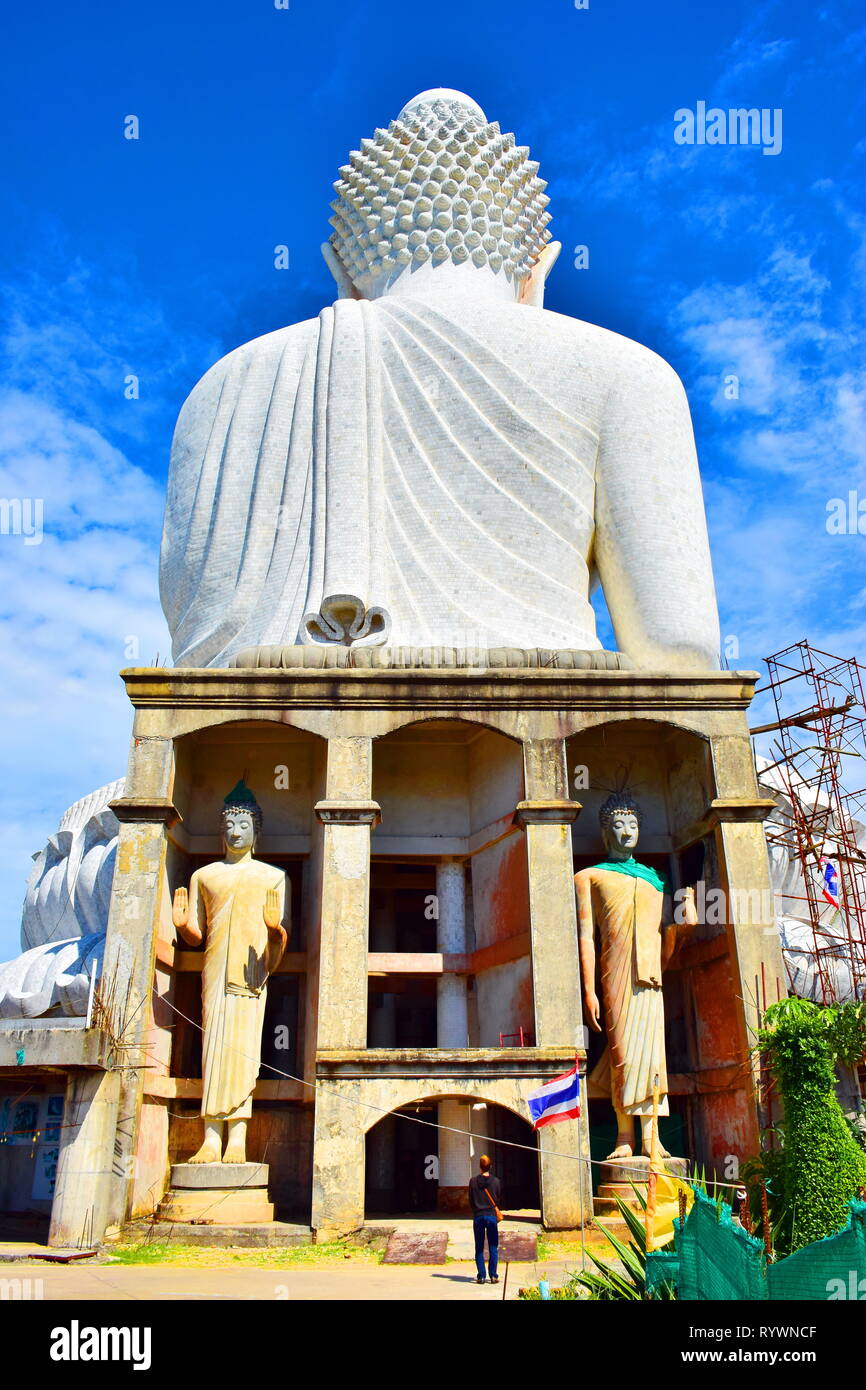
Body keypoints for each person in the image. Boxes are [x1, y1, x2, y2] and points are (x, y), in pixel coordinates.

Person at [468, 1155, 501, 1285]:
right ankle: (493, 1275)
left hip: (478, 1216)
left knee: (479, 1247)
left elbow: (470, 1199)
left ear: (480, 1167)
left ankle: (481, 1276)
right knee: (493, 1246)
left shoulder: (473, 1181)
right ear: (490, 1166)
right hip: (491, 1216)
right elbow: (498, 1198)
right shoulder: (496, 1181)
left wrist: (476, 1209)